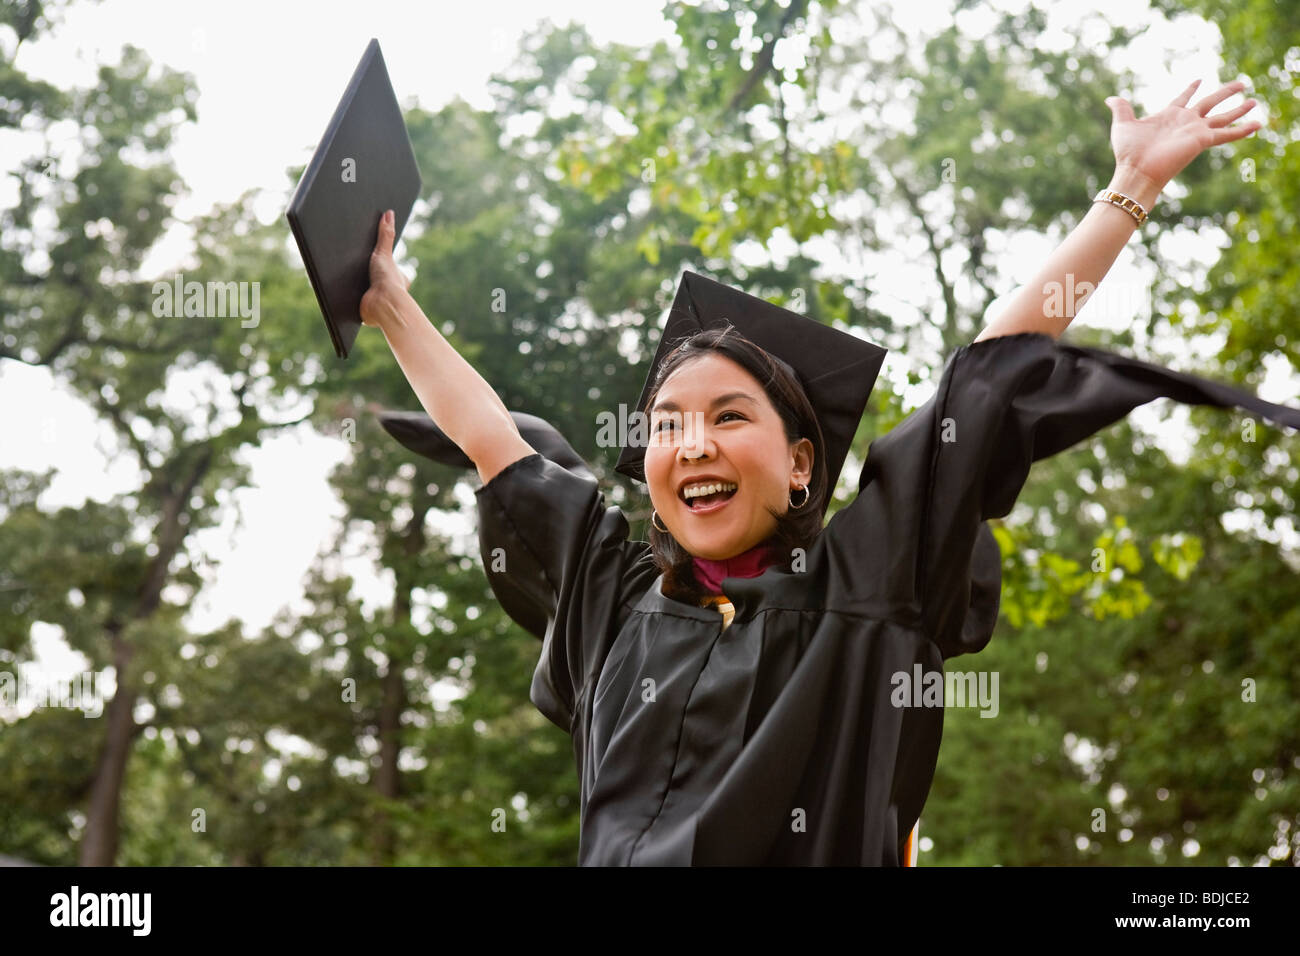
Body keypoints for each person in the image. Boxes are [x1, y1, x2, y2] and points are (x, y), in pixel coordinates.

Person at [360, 80, 1296, 865]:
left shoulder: (863, 590)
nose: (692, 444)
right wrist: (391, 300)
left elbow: (981, 384)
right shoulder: (614, 600)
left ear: (802, 463)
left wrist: (1127, 188)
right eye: (667, 425)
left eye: (731, 418)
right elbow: (498, 443)